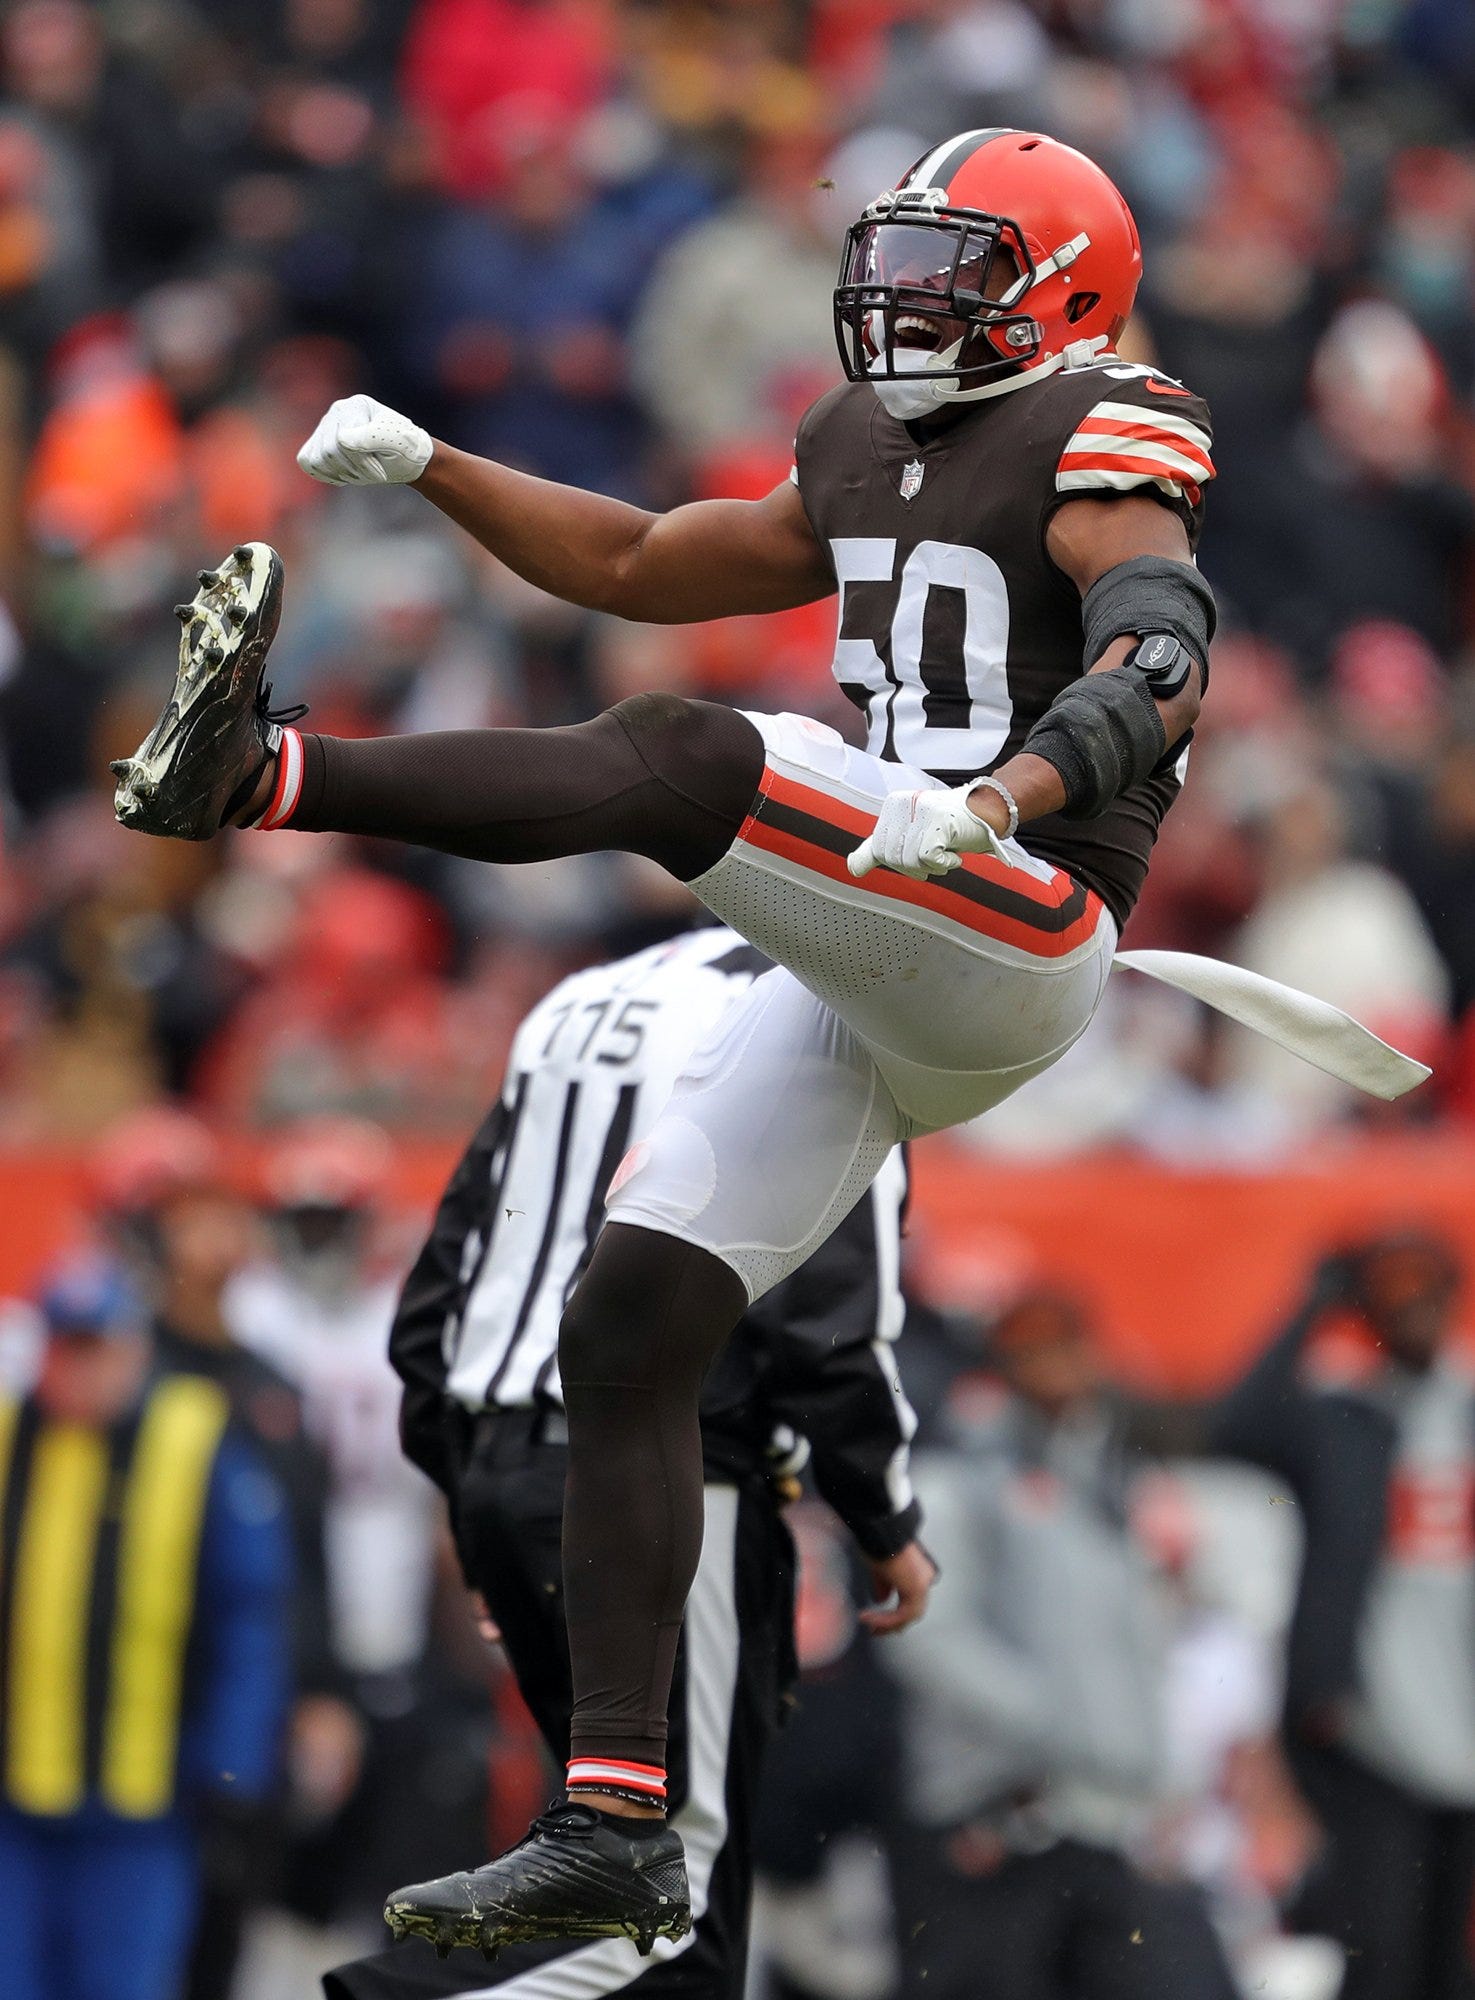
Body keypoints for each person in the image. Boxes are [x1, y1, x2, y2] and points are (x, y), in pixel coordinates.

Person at [111, 127, 1220, 1952]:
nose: (900, 296)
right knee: (625, 1321)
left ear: (1063, 295)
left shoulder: (1103, 427)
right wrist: (433, 462)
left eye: (954, 268)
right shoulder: (863, 440)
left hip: (1019, 919)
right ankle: (619, 1814)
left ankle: (267, 774)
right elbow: (638, 554)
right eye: (901, 256)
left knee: (682, 754)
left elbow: (1162, 651)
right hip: (884, 944)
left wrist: (1012, 796)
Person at [325, 918, 932, 1999]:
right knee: (670, 1912)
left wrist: (476, 1510)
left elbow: (432, 1308)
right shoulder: (821, 1005)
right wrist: (884, 1517)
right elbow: (828, 1322)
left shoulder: (577, 998)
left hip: (504, 1466)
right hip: (666, 1496)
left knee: (600, 1883)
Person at [885, 1286, 1237, 2000]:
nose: (1053, 1365)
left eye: (1065, 1344)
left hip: (1107, 1815)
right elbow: (925, 1632)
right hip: (1007, 1811)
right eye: (1029, 1349)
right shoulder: (960, 1476)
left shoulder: (1105, 1477)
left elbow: (1137, 1643)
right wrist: (1058, 1725)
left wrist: (1151, 1768)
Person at [0, 1253, 293, 2000]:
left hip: (143, 1801)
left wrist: (234, 1767)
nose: (81, 1371)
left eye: (98, 1349)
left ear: (134, 1349)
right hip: (15, 1803)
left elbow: (249, 1619)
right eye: (68, 1350)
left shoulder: (190, 1438)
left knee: (121, 1984)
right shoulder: (11, 1437)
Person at [1211, 1232, 1475, 2000]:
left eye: (1426, 1291)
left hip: (1464, 1705)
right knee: (1380, 1940)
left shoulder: (1465, 1406)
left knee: (1448, 1952)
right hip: (1373, 1719)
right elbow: (1238, 1423)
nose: (1412, 1310)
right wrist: (1313, 1302)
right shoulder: (1342, 1419)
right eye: (1390, 1296)